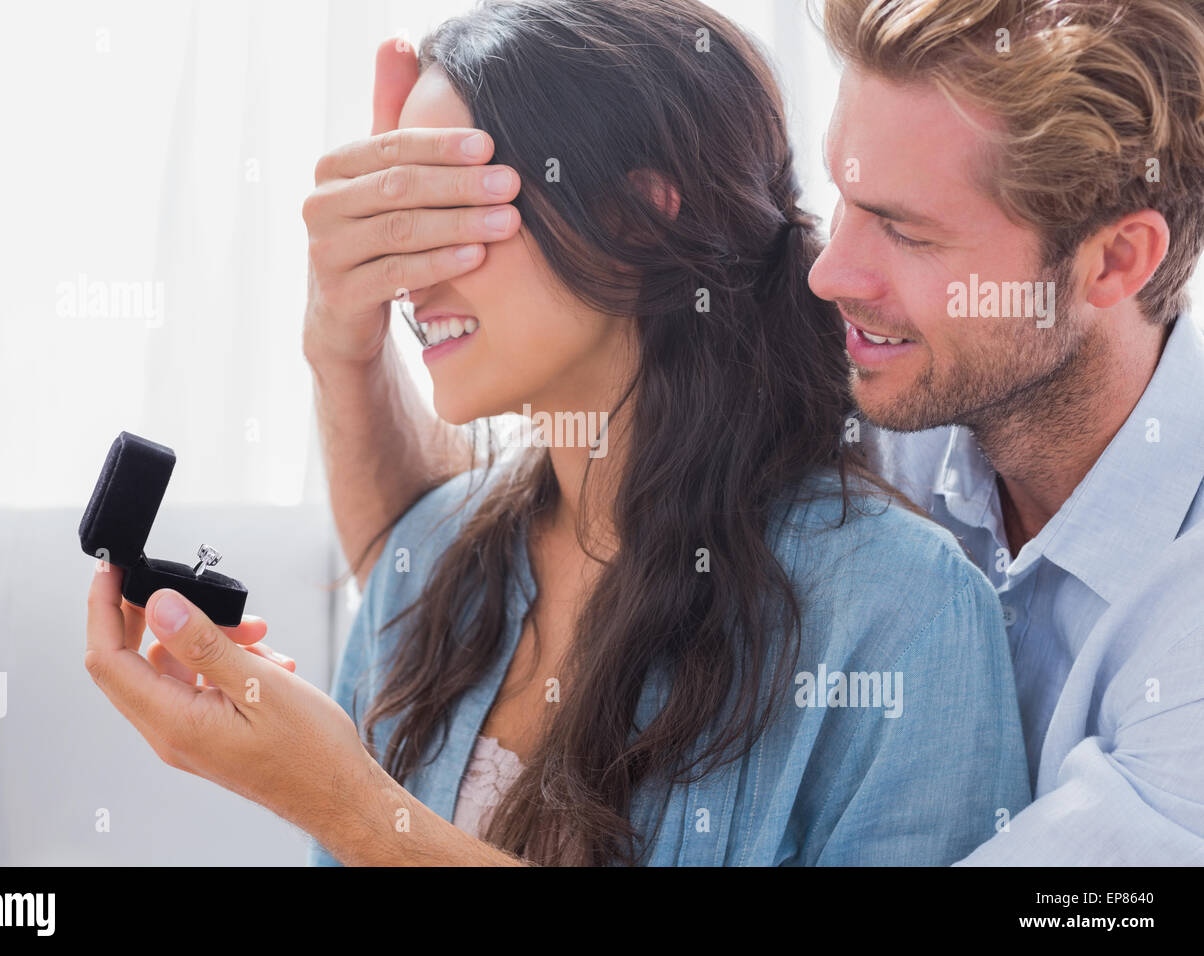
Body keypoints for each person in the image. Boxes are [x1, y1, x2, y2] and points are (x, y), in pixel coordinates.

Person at [305, 0, 1204, 864]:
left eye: (905, 231)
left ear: (1115, 261)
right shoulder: (895, 386)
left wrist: (347, 804)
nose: (829, 273)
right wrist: (344, 347)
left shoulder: (938, 596)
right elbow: (422, 559)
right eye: (846, 199)